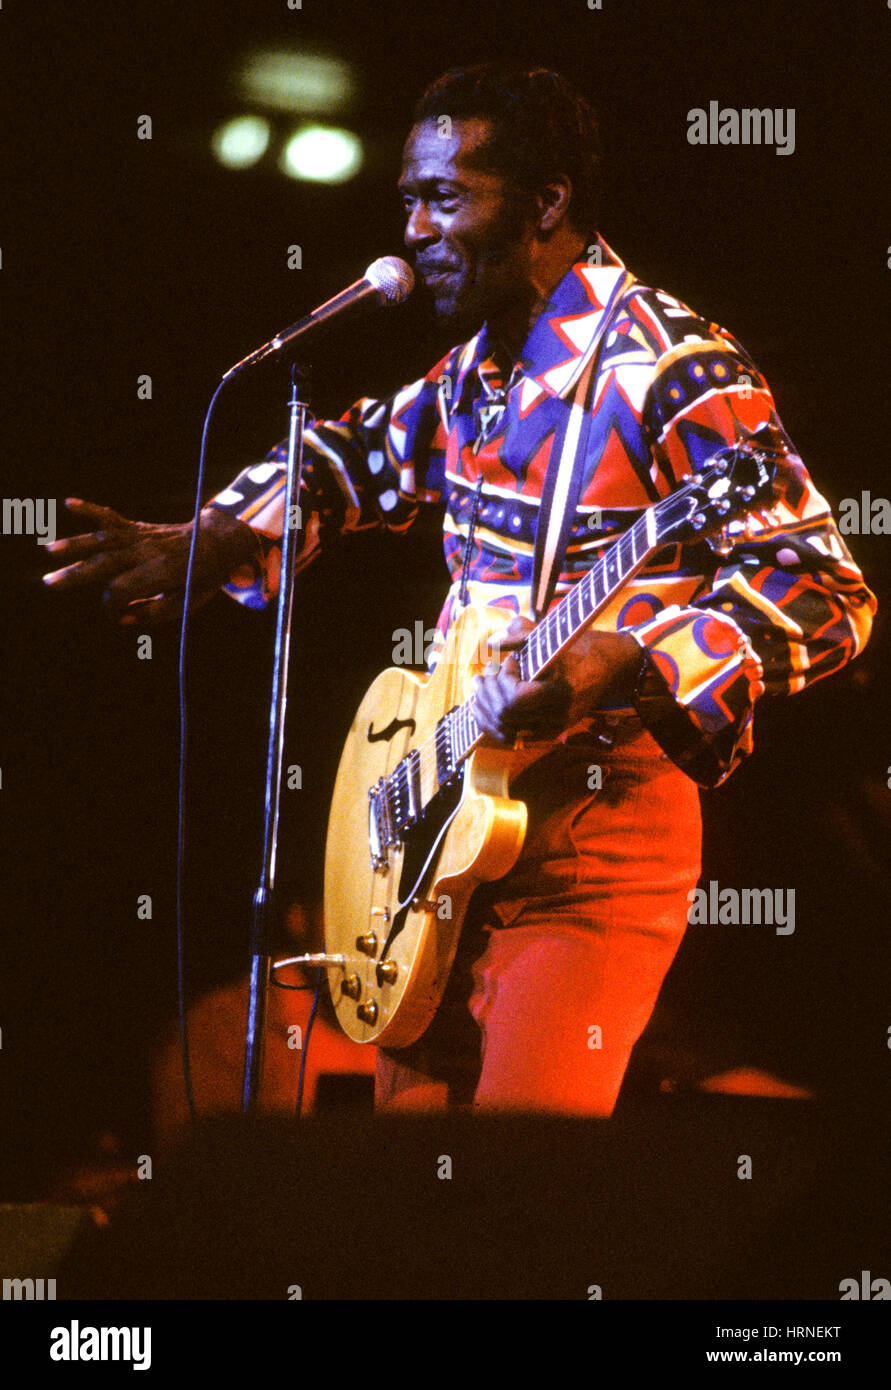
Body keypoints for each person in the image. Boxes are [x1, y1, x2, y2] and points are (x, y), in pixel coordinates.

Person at [43, 65, 876, 1115]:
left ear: (546, 204)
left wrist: (627, 658)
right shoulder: (476, 371)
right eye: (408, 200)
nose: (414, 230)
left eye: (446, 197)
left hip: (591, 832)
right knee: (412, 1205)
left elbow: (826, 587)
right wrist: (213, 535)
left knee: (512, 1192)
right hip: (437, 831)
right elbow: (352, 456)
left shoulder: (671, 366)